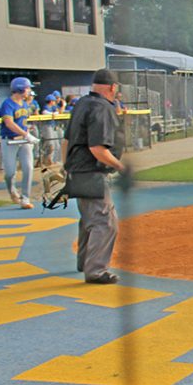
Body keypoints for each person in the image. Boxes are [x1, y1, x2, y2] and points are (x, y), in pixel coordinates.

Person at [63, 69, 127, 284]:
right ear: (112, 87)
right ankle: (96, 270)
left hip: (77, 170)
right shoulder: (101, 108)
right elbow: (97, 148)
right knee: (104, 222)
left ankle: (84, 262)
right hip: (91, 172)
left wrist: (66, 167)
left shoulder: (81, 103)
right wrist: (121, 166)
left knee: (89, 220)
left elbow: (66, 140)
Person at [0, 77, 39, 209]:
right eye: (28, 88)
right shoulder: (8, 104)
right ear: (21, 88)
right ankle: (12, 191)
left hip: (24, 141)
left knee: (28, 168)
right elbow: (9, 123)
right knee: (10, 172)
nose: (29, 91)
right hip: (10, 140)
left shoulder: (25, 104)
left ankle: (25, 198)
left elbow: (24, 122)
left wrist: (28, 133)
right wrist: (26, 134)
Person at [40, 94, 61, 165]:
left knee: (56, 145)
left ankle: (53, 160)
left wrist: (54, 113)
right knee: (49, 144)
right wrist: (53, 114)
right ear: (51, 101)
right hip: (47, 127)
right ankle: (45, 160)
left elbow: (58, 113)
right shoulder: (46, 107)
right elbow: (44, 113)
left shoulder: (53, 107)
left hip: (52, 126)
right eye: (54, 101)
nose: (55, 102)